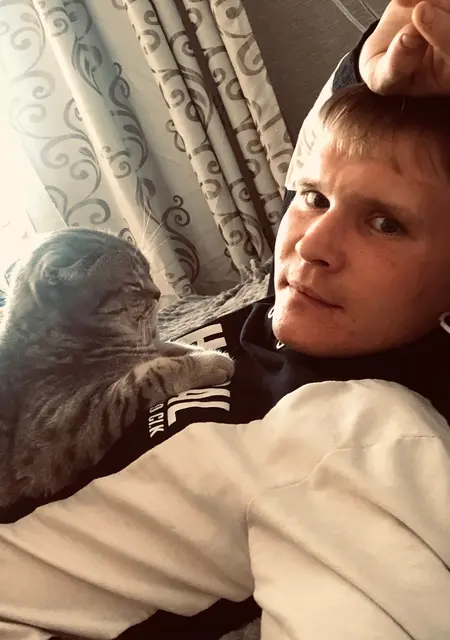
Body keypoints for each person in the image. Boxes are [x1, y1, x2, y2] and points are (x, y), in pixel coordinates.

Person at [2, 2, 450, 638]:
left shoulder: (366, 436)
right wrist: (380, 45)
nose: (311, 242)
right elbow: (338, 137)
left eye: (386, 223)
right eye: (314, 198)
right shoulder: (309, 310)